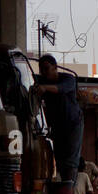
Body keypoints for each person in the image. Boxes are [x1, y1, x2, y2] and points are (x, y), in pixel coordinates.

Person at [34, 54, 82, 184]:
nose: (44, 72)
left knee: (70, 161)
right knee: (59, 159)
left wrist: (44, 88)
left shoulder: (68, 79)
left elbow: (60, 89)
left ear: (55, 67)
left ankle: (70, 188)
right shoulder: (41, 81)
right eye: (41, 69)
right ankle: (64, 188)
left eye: (46, 68)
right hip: (56, 126)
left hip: (72, 125)